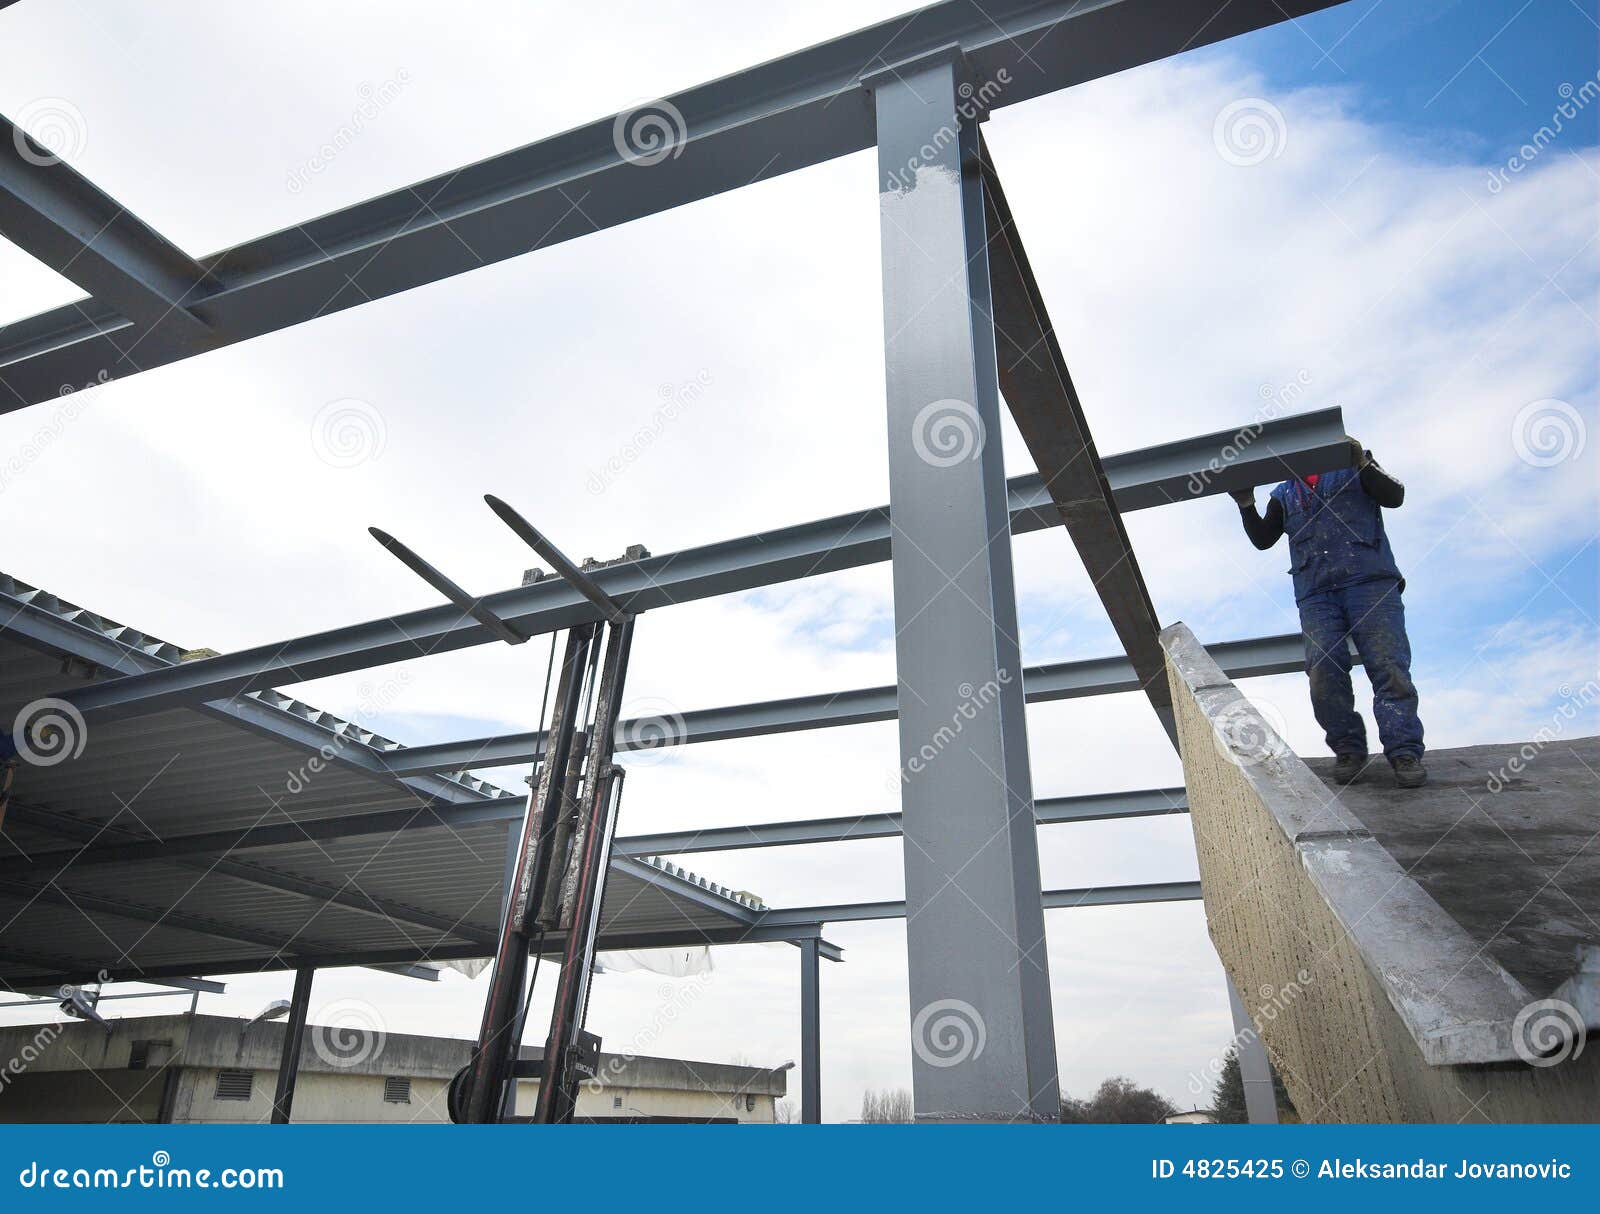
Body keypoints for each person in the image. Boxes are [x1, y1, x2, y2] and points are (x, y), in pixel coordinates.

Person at [1230, 437, 1426, 788]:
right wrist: (1245, 503)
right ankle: (1348, 749)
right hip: (1317, 594)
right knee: (1323, 673)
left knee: (1389, 667)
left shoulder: (1352, 469)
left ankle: (1404, 752)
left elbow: (1394, 496)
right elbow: (1263, 538)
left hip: (1370, 582)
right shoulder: (1283, 494)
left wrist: (1362, 461)